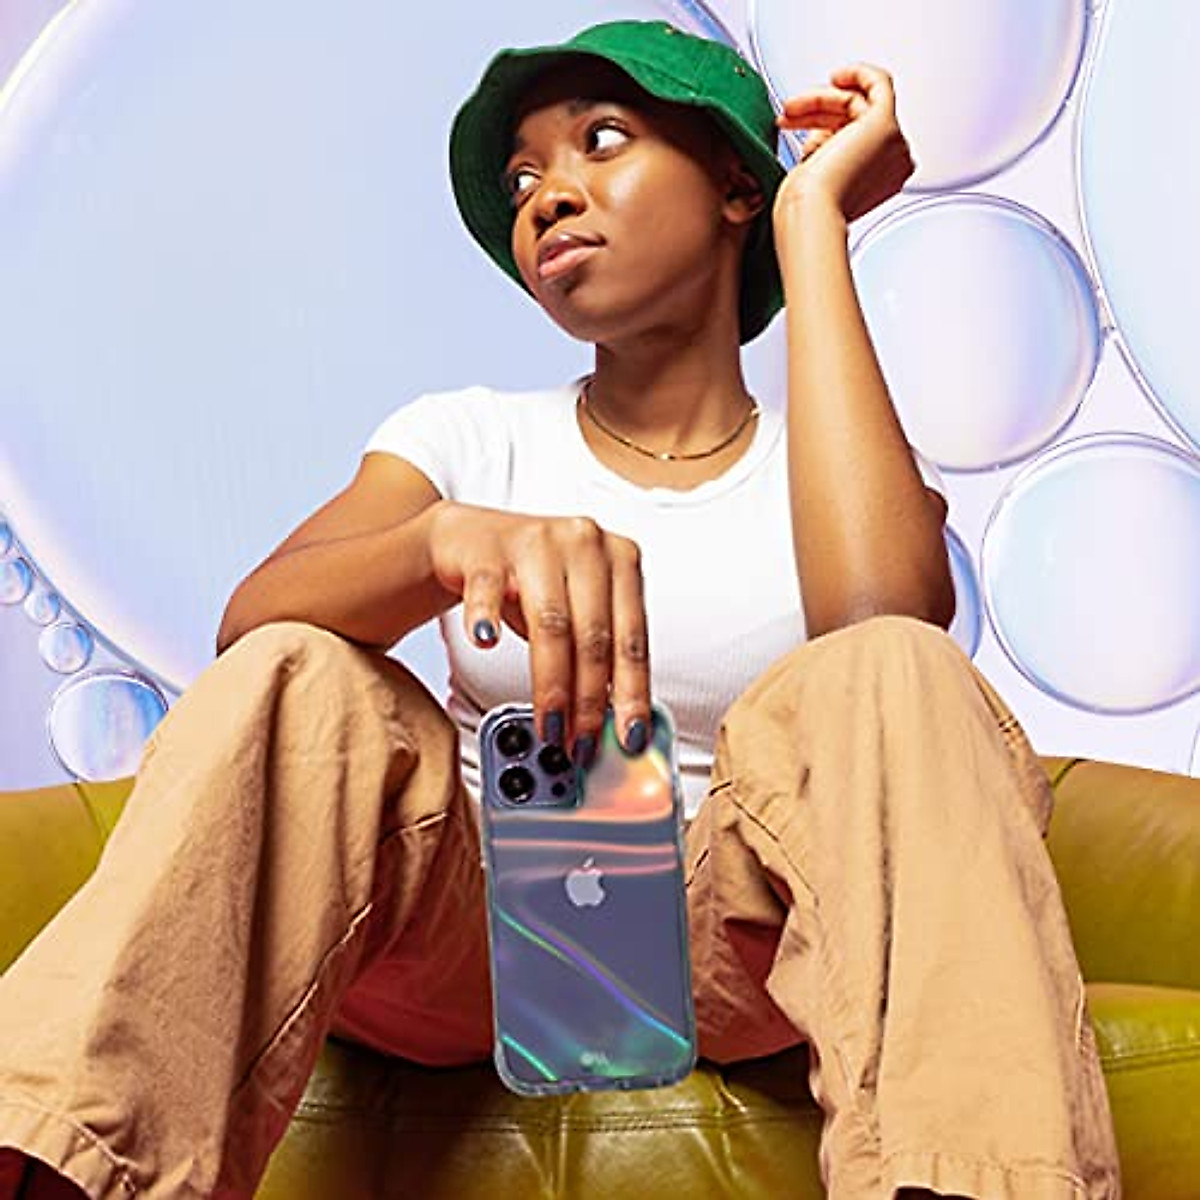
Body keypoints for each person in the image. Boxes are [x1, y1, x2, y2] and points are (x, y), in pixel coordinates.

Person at [0, 19, 1121, 1199]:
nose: (548, 196)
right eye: (524, 178)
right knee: (306, 671)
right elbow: (253, 626)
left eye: (603, 140)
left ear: (735, 186)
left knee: (888, 668)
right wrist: (440, 542)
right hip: (466, 937)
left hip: (732, 947)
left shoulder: (832, 471)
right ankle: (59, 1171)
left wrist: (814, 223)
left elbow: (890, 617)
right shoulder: (467, 437)